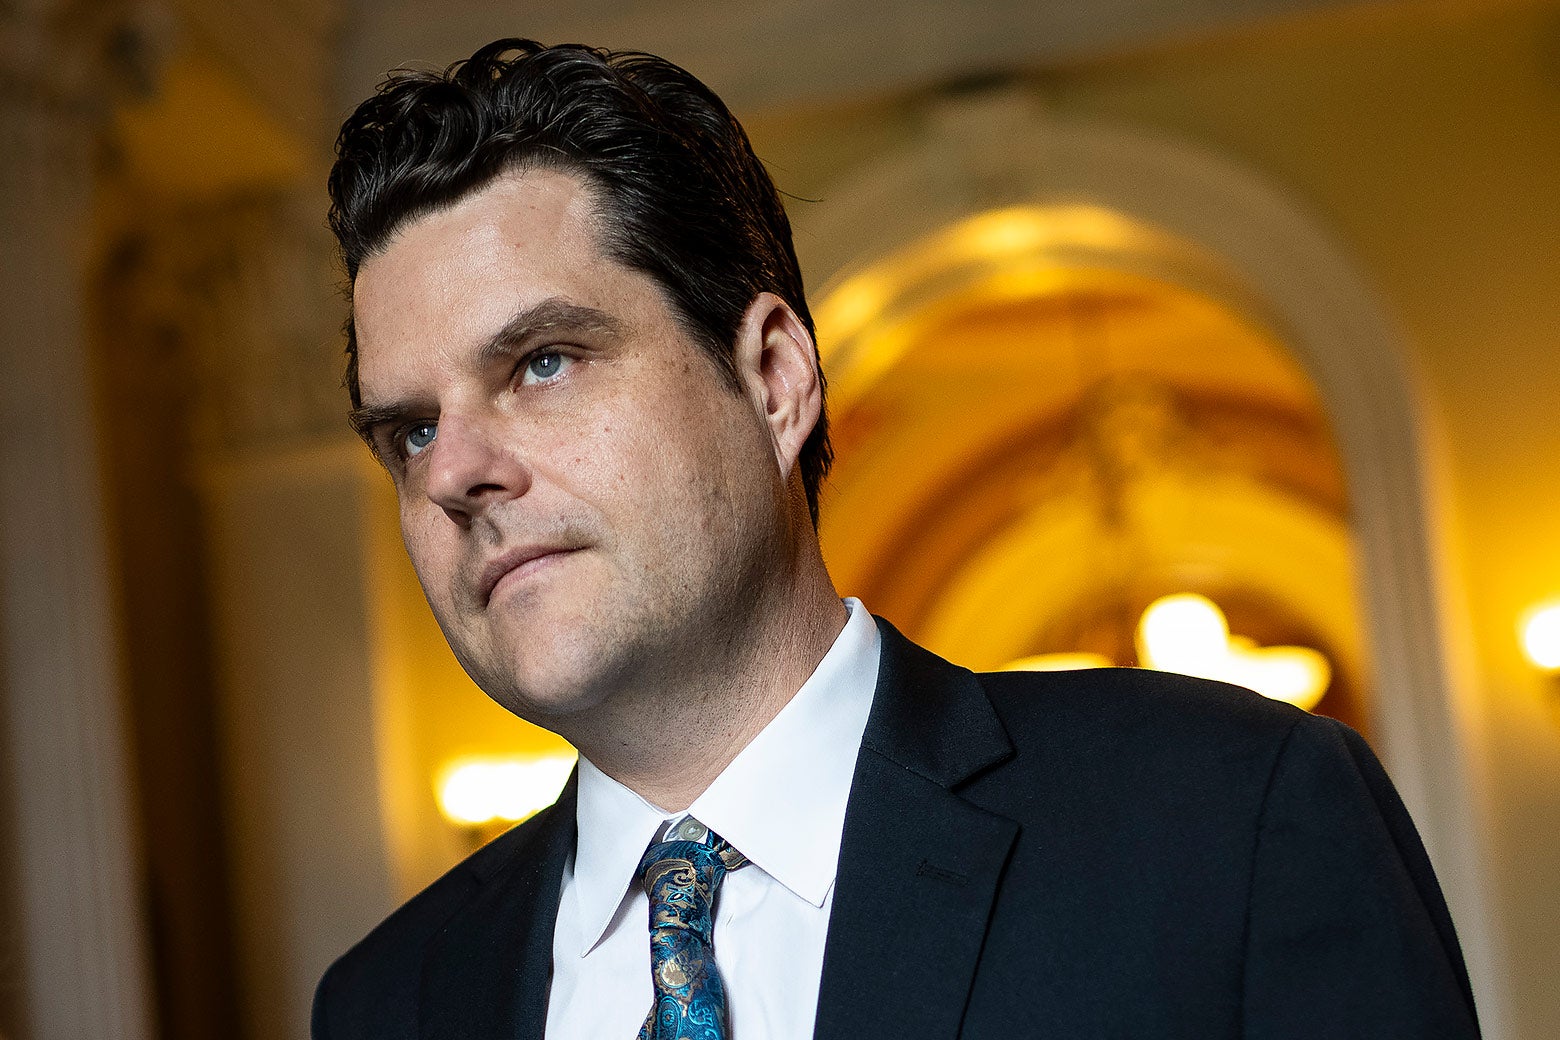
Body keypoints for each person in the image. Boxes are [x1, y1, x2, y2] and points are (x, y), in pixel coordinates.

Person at [313, 38, 1480, 1040]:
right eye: (410, 431)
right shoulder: (390, 1000)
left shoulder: (1233, 822)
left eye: (542, 362)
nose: (457, 469)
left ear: (774, 378)